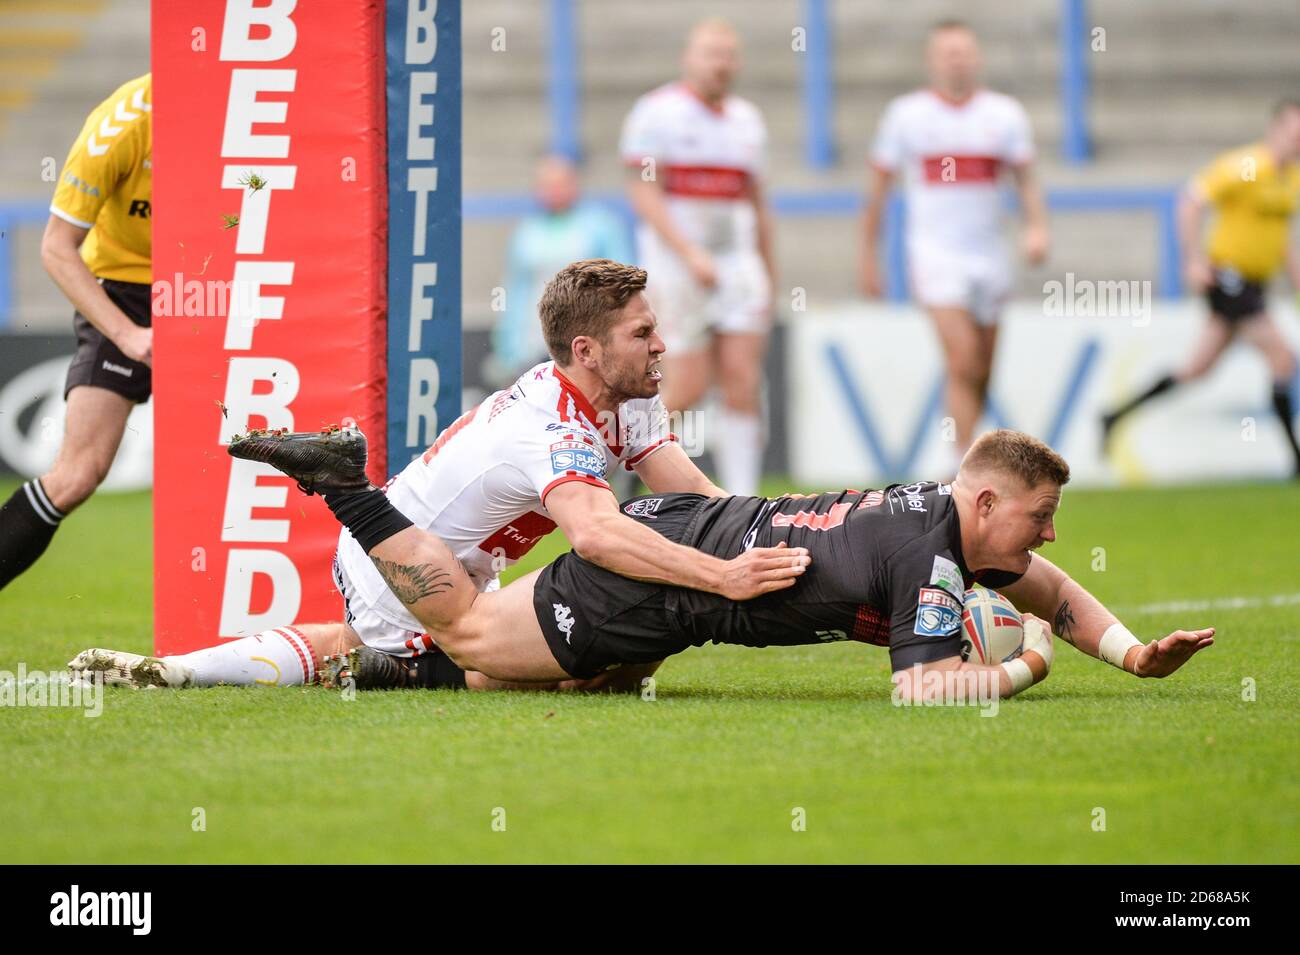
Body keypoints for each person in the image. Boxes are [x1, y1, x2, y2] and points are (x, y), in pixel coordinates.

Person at [69, 260, 808, 692]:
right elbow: (596, 536)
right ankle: (401, 669)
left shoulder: (620, 395)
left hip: (450, 559)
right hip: (397, 562)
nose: (661, 345)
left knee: (359, 650)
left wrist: (791, 524)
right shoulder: (550, 423)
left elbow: (702, 500)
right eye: (643, 333)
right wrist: (724, 579)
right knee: (564, 665)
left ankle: (177, 672)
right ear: (587, 349)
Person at [200, 428, 1213, 702]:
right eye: (1039, 516)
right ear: (985, 501)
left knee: (584, 682)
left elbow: (1047, 587)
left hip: (691, 528)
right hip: (656, 582)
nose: (1047, 537)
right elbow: (926, 690)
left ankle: (385, 672)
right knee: (467, 628)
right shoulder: (925, 553)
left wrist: (1127, 653)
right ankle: (342, 483)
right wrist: (1027, 665)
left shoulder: (936, 518)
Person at [860, 21, 1049, 476]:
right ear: (932, 60)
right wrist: (868, 255)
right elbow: (877, 192)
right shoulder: (907, 115)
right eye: (948, 53)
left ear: (977, 58)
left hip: (989, 255)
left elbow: (1025, 178)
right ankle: (959, 466)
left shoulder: (1004, 115)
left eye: (964, 52)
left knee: (982, 366)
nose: (956, 60)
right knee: (962, 357)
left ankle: (964, 456)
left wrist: (1037, 226)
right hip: (935, 254)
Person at [0, 74, 152, 590]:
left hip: (217, 285)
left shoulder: (247, 109)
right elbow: (56, 248)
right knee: (77, 475)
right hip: (123, 292)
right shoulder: (123, 122)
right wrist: (130, 335)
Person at [1102, 98, 1300, 475]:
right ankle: (1296, 460)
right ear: (1275, 131)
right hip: (1228, 278)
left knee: (1197, 369)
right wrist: (1193, 260)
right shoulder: (1246, 167)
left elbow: (1282, 237)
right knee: (1282, 357)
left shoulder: (1292, 179)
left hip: (1254, 284)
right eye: (1295, 134)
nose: (1299, 143)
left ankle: (1113, 415)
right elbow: (1191, 200)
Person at [620, 17, 775, 496]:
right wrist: (688, 254)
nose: (720, 64)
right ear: (690, 58)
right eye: (711, 54)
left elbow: (756, 201)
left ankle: (743, 501)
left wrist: (769, 271)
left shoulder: (748, 120)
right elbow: (642, 192)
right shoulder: (656, 113)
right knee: (684, 386)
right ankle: (629, 471)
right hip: (675, 264)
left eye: (728, 54)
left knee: (743, 380)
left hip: (736, 264)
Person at [490, 155, 631, 382]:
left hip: (586, 342)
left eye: (560, 184)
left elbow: (621, 285)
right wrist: (506, 345)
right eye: (546, 185)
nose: (554, 191)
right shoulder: (527, 231)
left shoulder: (602, 226)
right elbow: (515, 289)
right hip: (533, 345)